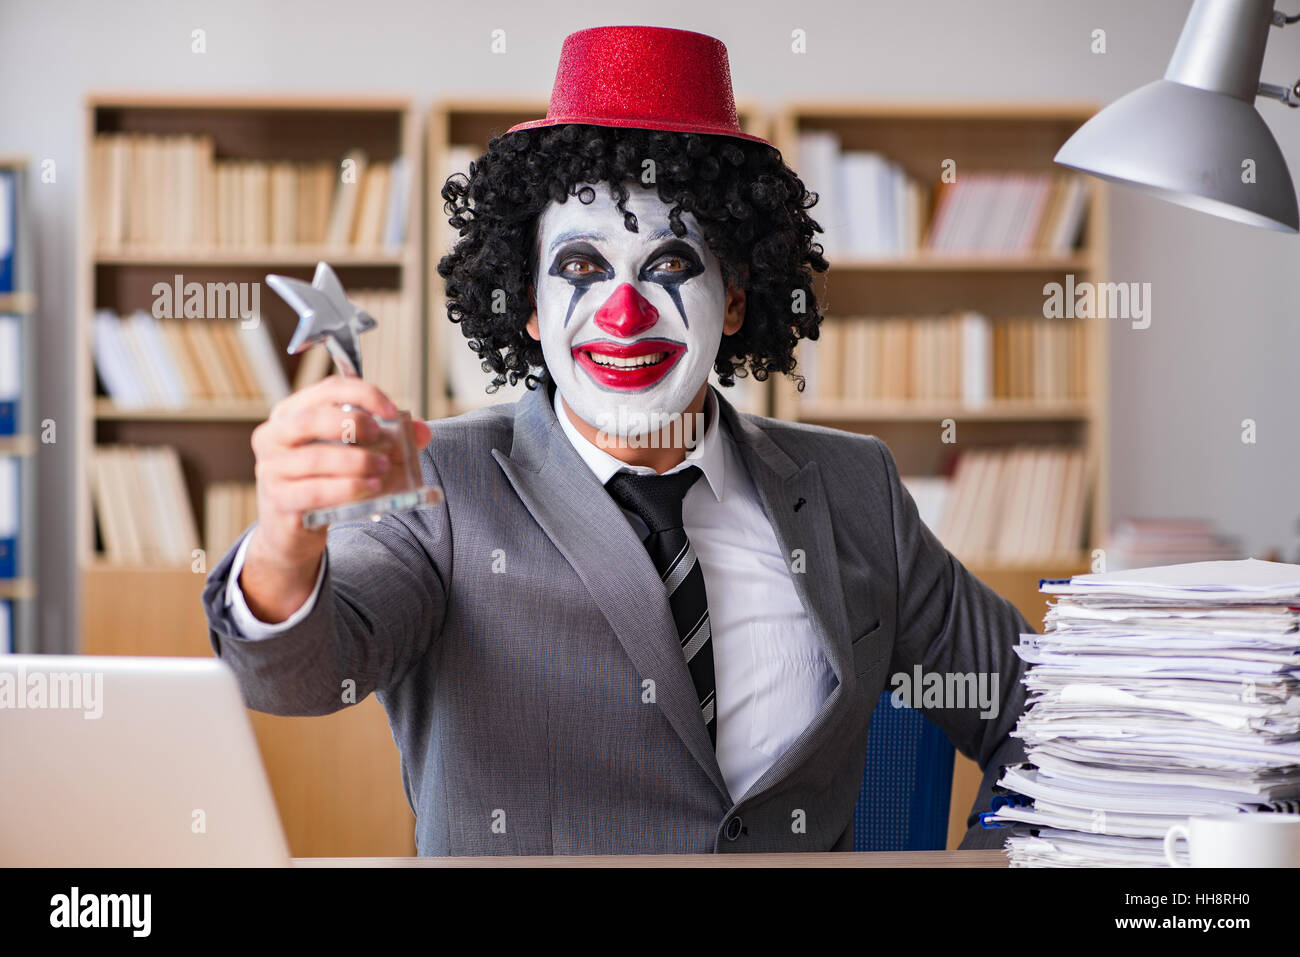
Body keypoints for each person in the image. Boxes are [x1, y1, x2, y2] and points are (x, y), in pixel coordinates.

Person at [202, 25, 1031, 855]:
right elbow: (300, 671)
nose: (622, 314)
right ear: (527, 305)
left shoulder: (856, 488)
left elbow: (1039, 718)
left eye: (669, 265)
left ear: (734, 299)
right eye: (581, 269)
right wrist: (286, 539)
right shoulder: (442, 484)